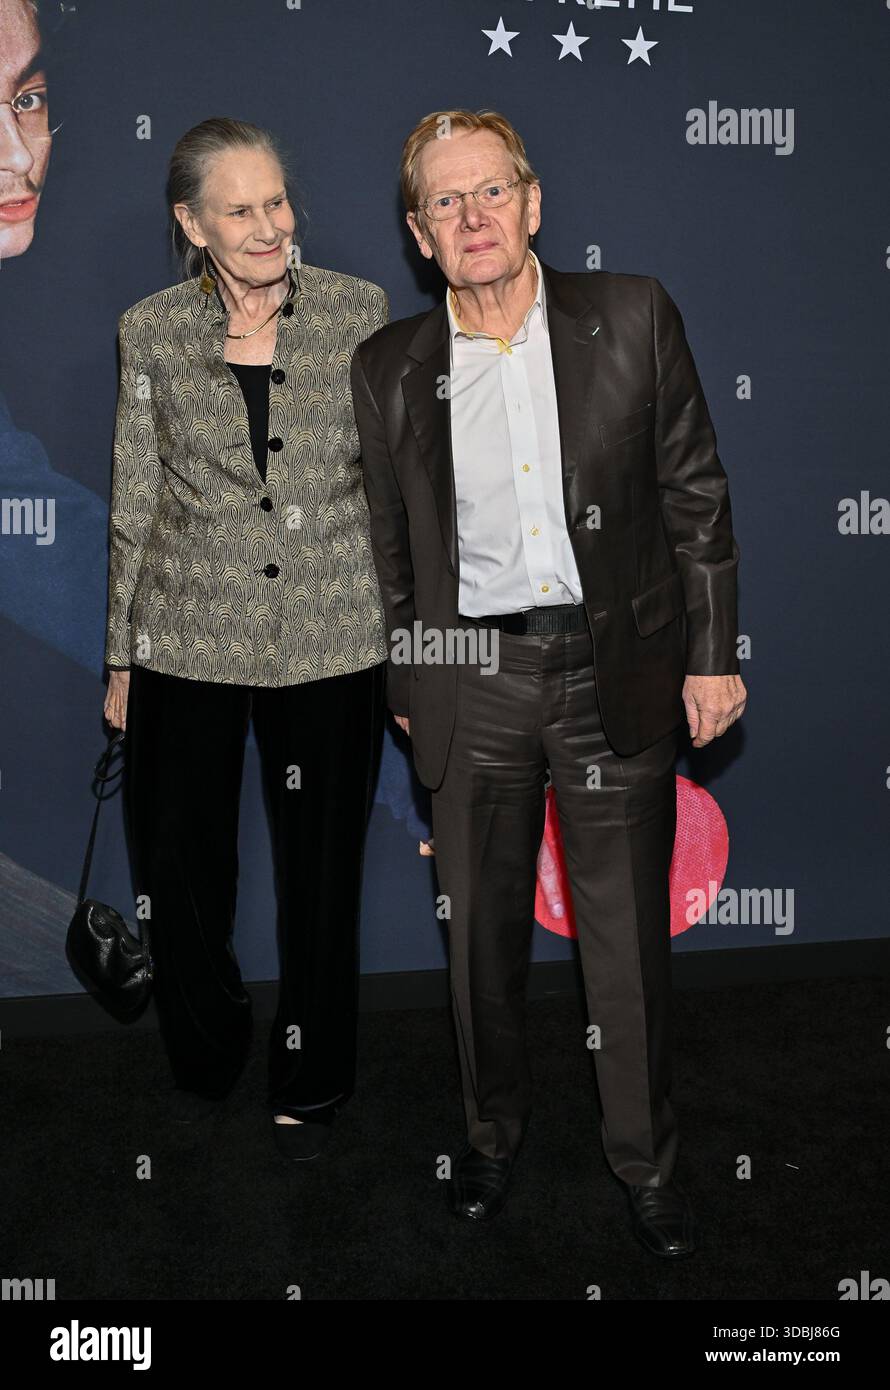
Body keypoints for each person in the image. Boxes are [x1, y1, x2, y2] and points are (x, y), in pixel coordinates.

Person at [351, 108, 746, 1255]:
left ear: (531, 204)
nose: (470, 217)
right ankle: (487, 1135)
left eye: (489, 192)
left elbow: (694, 498)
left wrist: (710, 654)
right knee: (476, 941)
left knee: (625, 942)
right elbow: (388, 554)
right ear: (420, 234)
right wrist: (415, 688)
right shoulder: (386, 370)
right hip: (469, 676)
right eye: (444, 201)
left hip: (609, 666)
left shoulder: (631, 316)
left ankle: (648, 1162)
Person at [103, 118, 389, 1161]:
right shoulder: (149, 329)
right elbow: (135, 497)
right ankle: (206, 1048)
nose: (268, 225)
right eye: (239, 209)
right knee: (181, 877)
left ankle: (312, 1079)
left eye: (276, 201)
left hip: (329, 637)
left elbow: (393, 494)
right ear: (191, 223)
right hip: (185, 636)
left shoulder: (359, 312)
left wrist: (405, 641)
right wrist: (120, 656)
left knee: (322, 876)